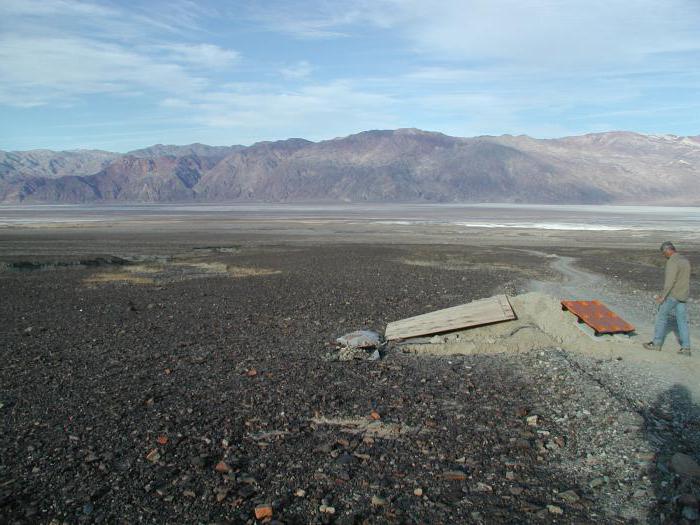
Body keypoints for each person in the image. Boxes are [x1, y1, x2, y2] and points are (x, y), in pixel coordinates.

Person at [643, 241, 691, 355]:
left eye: (664, 253)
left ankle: (656, 343)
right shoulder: (685, 260)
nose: (664, 255)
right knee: (682, 321)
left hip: (672, 295)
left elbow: (669, 282)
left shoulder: (672, 262)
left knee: (661, 317)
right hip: (683, 295)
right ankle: (686, 348)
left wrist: (662, 297)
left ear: (668, 250)